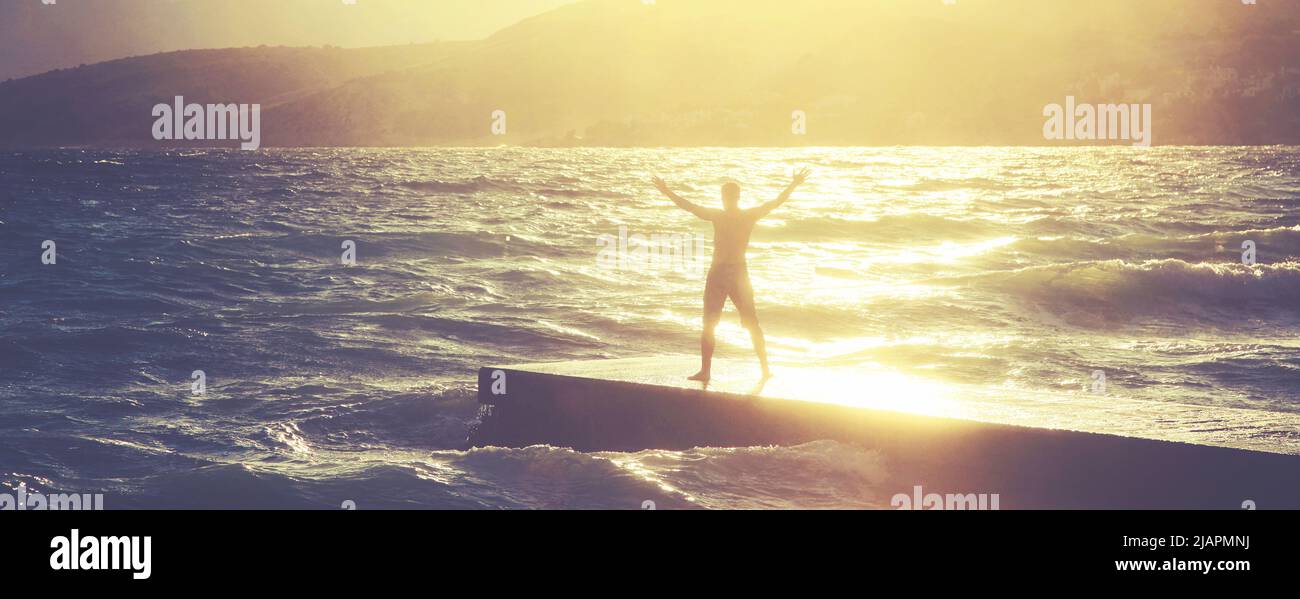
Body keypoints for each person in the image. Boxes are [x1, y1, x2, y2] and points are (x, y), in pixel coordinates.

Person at [652, 168, 811, 382]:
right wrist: (666, 191)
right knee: (715, 323)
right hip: (730, 273)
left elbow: (775, 202)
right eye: (724, 197)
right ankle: (712, 370)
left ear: (735, 198)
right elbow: (689, 207)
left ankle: (761, 369)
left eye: (727, 197)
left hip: (729, 273)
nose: (725, 200)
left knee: (744, 323)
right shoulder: (739, 215)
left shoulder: (729, 215)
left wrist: (666, 191)